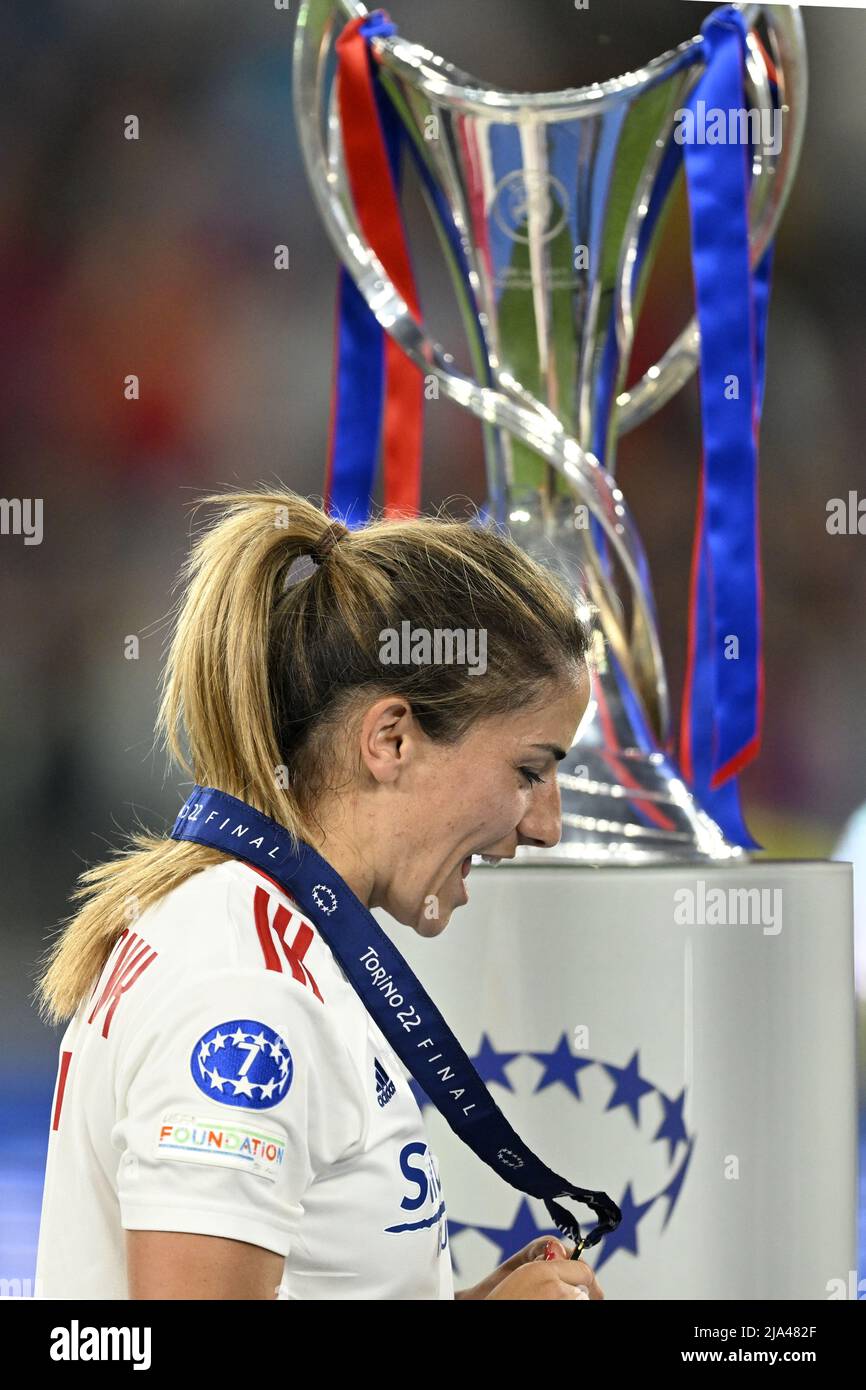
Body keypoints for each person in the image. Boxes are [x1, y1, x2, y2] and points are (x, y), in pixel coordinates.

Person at [33, 486, 604, 1301]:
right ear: (392, 739)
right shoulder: (248, 988)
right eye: (529, 771)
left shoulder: (275, 941)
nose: (546, 825)